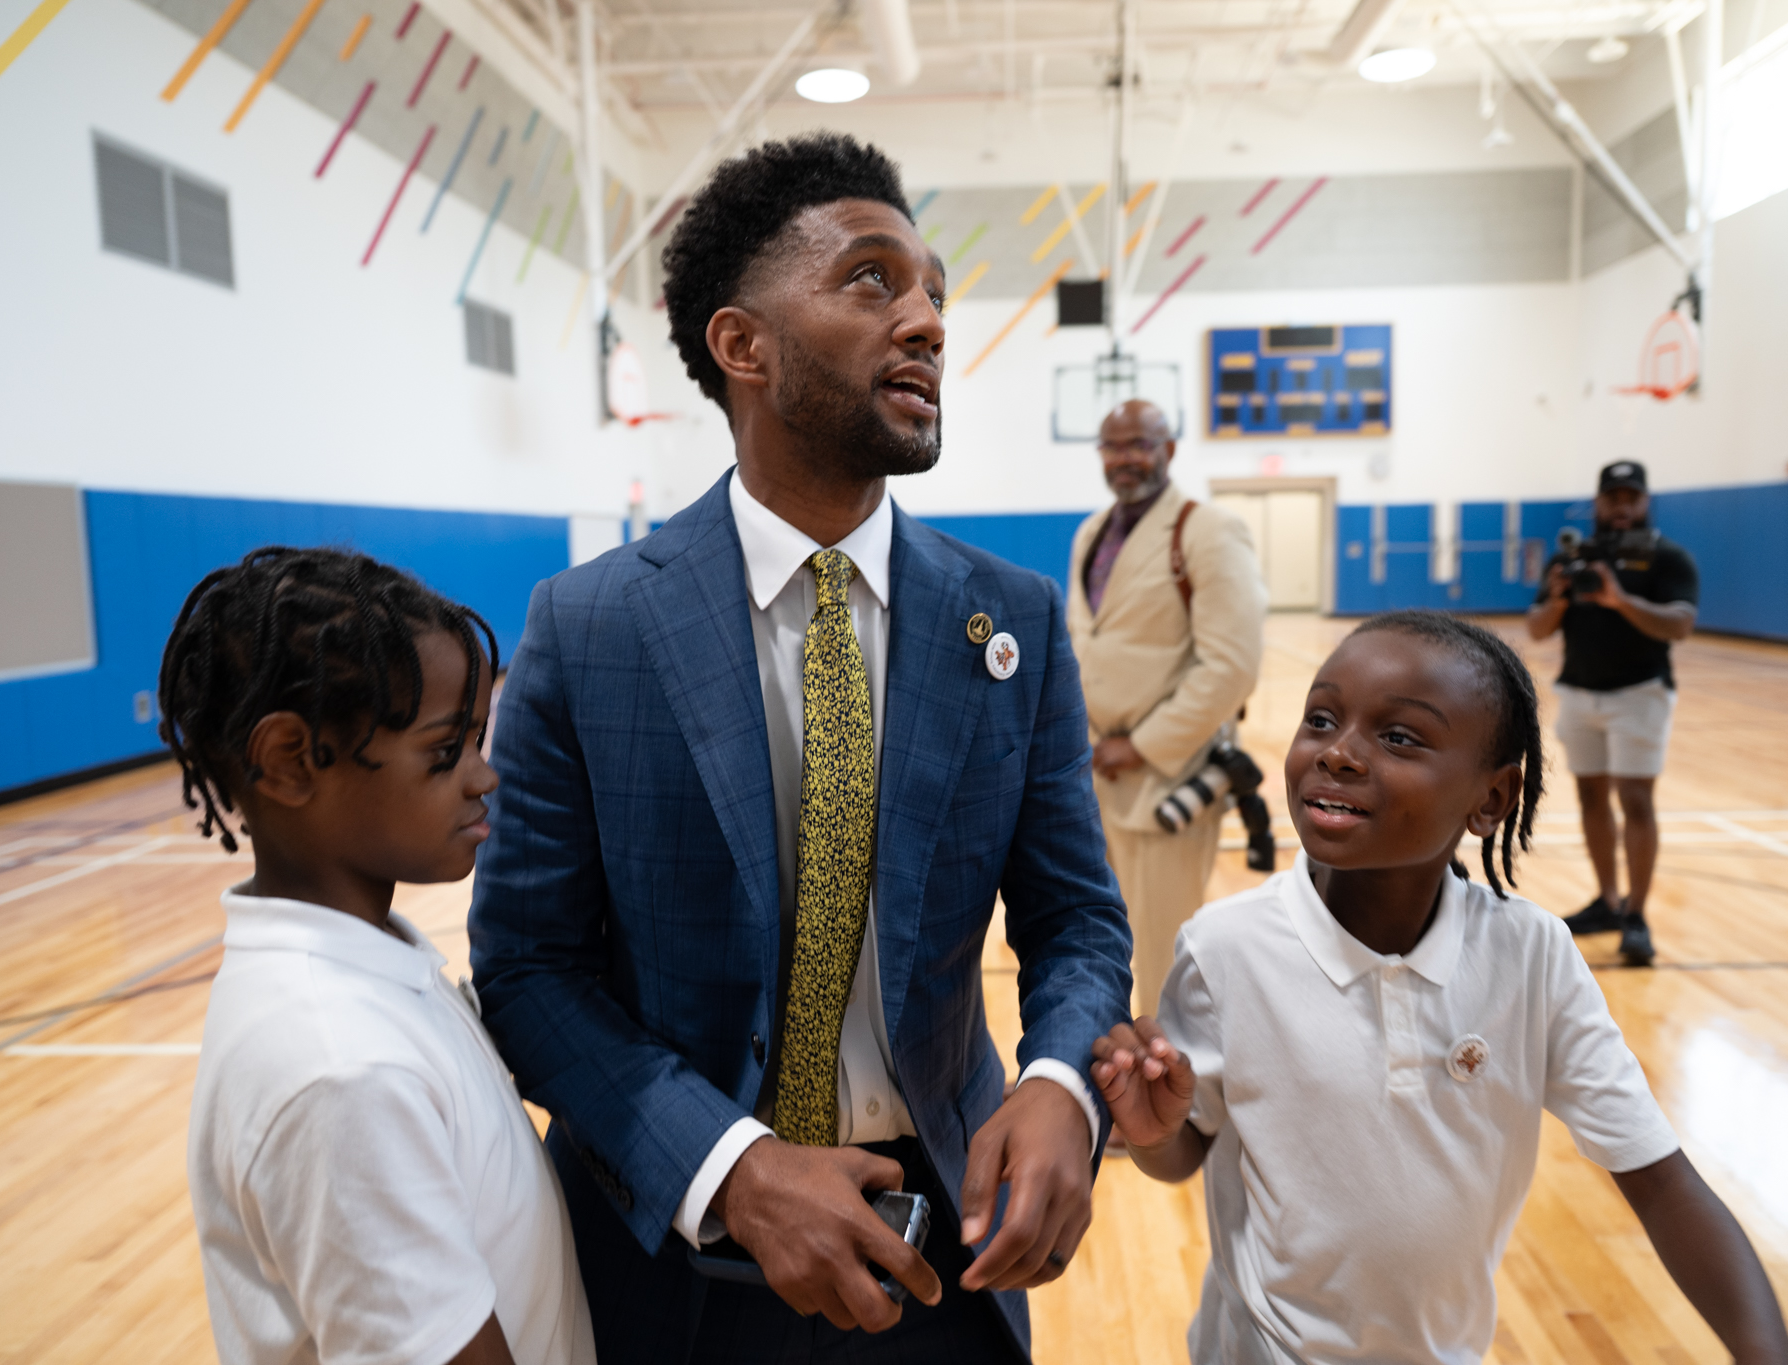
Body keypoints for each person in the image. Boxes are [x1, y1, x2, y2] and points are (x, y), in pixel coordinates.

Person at [467, 133, 1134, 1364]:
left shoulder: (1015, 619)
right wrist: (730, 1167)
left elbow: (1078, 921)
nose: (927, 320)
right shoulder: (589, 625)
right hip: (678, 1251)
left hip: (947, 1242)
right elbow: (525, 969)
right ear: (742, 346)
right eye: (874, 281)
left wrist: (1058, 1084)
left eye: (935, 290)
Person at [1089, 611, 1788, 1365]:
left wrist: (1766, 1348)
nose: (1338, 752)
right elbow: (1183, 1151)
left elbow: (1659, 1180)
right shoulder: (1225, 948)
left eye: (1398, 737)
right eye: (1322, 719)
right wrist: (1153, 1130)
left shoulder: (1531, 956)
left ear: (1491, 800)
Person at [163, 547, 594, 1365]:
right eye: (444, 753)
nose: (484, 777)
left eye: (477, 740)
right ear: (290, 761)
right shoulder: (338, 1068)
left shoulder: (374, 964)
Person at [1065, 399, 1266, 1015]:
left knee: (1164, 953)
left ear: (1169, 450)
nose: (1125, 458)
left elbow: (1231, 666)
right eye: (1113, 446)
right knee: (1097, 939)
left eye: (1139, 444)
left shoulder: (1208, 531)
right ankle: (1115, 1072)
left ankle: (1175, 1093)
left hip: (1165, 778)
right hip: (1098, 776)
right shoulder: (1092, 532)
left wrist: (1142, 744)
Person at [1527, 460, 1699, 966]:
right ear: (1598, 502)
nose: (1621, 507)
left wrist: (1619, 600)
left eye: (1631, 498)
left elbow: (1679, 625)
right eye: (1613, 498)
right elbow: (1537, 628)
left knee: (1636, 800)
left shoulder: (1669, 558)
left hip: (1640, 694)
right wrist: (1559, 598)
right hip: (1580, 693)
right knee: (1589, 795)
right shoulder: (1574, 558)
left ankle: (1637, 914)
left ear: (1645, 501)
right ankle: (1607, 899)